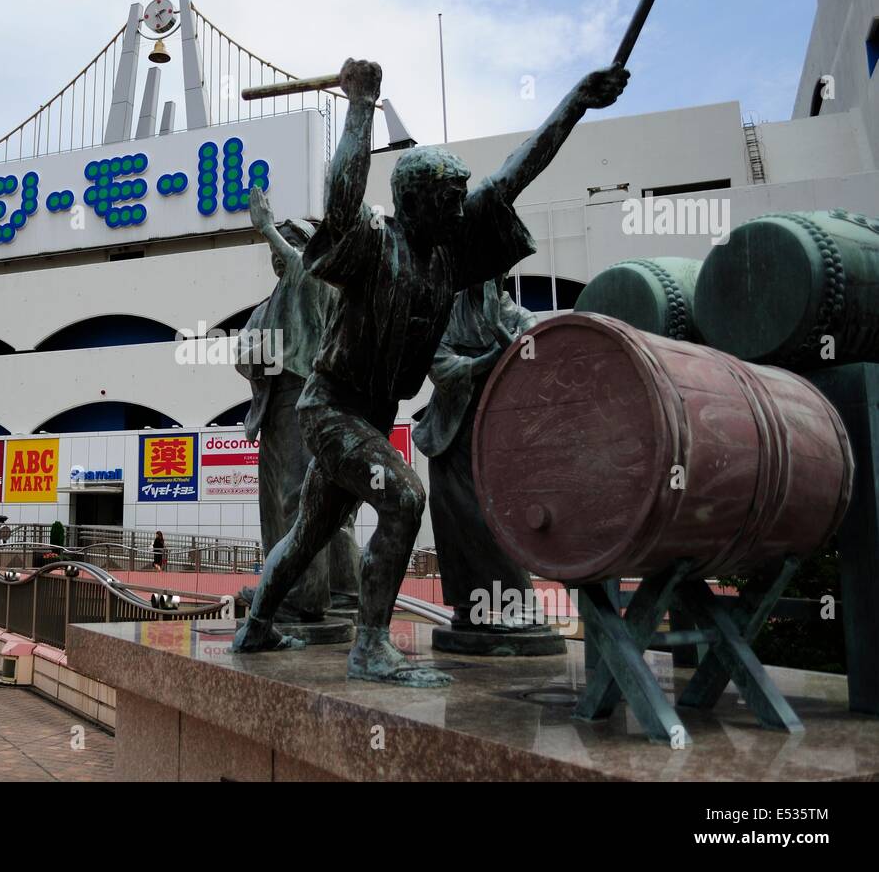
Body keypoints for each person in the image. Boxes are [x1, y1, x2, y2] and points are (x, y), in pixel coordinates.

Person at [233, 56, 628, 685]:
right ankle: (369, 646)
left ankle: (255, 626)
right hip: (330, 409)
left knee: (310, 531)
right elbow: (340, 201)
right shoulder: (371, 244)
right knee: (405, 499)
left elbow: (512, 177)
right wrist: (361, 107)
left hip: (367, 415)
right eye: (449, 198)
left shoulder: (449, 254)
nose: (460, 206)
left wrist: (576, 102)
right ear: (416, 202)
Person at [415, 279, 561, 653]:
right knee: (451, 517)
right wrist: (488, 360)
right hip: (450, 433)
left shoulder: (519, 316)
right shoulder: (446, 313)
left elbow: (532, 362)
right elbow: (440, 368)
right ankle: (467, 607)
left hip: (497, 432)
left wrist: (499, 332)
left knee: (492, 517)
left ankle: (521, 606)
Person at [236, 210, 361, 622]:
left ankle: (304, 593)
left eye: (289, 242)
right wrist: (260, 357)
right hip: (275, 408)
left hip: (306, 401)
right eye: (277, 244)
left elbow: (301, 271)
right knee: (281, 504)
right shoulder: (266, 305)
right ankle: (314, 585)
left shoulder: (318, 282)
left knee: (300, 499)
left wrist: (269, 228)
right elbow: (243, 354)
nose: (278, 253)